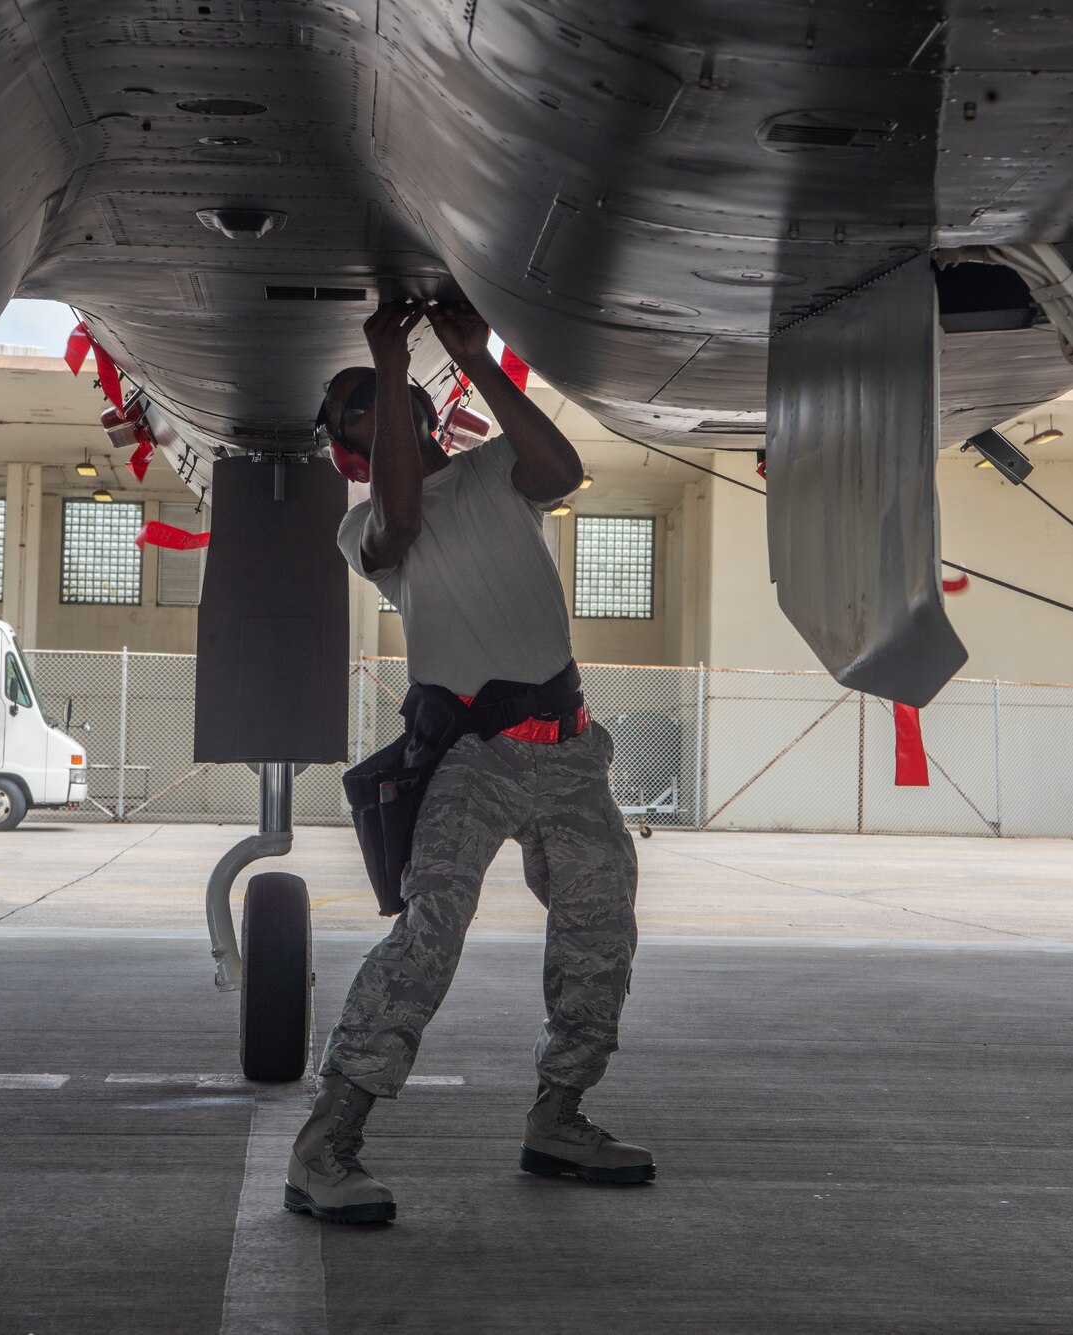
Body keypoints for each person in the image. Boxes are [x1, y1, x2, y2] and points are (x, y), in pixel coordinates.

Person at [285, 300, 648, 1225]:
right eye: (354, 408)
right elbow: (400, 518)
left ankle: (559, 1115)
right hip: (470, 759)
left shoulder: (495, 470)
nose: (375, 405)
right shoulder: (363, 529)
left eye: (385, 394)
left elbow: (561, 468)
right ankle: (327, 1145)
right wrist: (382, 354)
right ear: (348, 451)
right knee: (428, 938)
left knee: (600, 930)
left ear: (423, 405)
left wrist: (465, 355)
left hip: (566, 750)